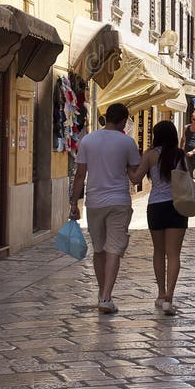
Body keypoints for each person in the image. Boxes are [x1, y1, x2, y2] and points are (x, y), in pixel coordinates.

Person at [69, 102, 141, 314]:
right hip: (119, 201)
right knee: (114, 251)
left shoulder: (88, 140)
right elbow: (135, 176)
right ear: (122, 120)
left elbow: (80, 175)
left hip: (94, 202)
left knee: (99, 250)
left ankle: (102, 294)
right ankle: (106, 297)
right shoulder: (127, 143)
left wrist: (74, 202)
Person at [128, 121, 188, 316]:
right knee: (174, 254)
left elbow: (136, 179)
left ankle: (161, 293)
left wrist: (128, 166)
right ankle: (170, 297)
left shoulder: (150, 155)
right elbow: (186, 179)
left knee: (158, 251)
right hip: (177, 206)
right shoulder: (179, 155)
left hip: (156, 207)